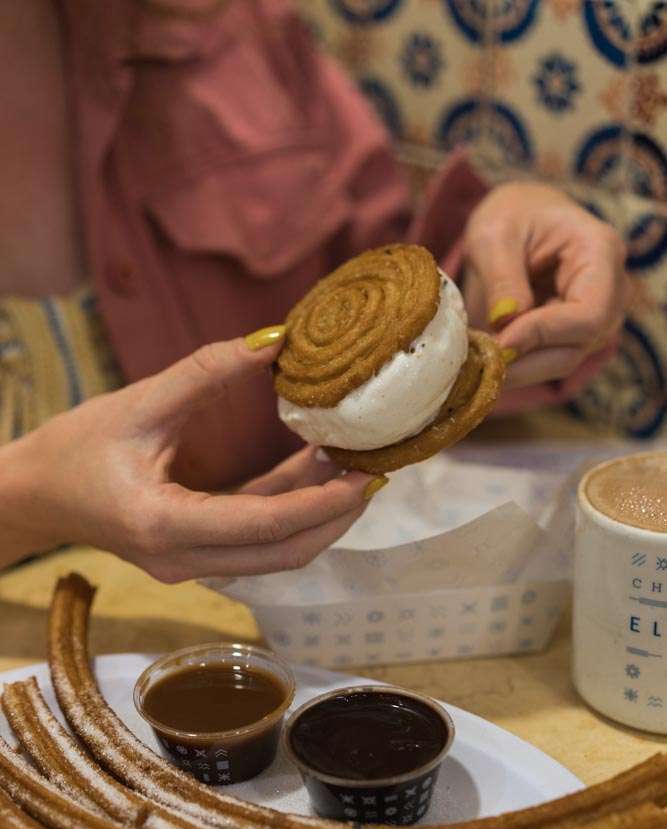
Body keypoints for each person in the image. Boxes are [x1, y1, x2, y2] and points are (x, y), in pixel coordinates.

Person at [0, 0, 628, 581]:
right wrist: (27, 502)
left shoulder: (225, 28)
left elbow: (374, 296)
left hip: (285, 623)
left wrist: (504, 264)